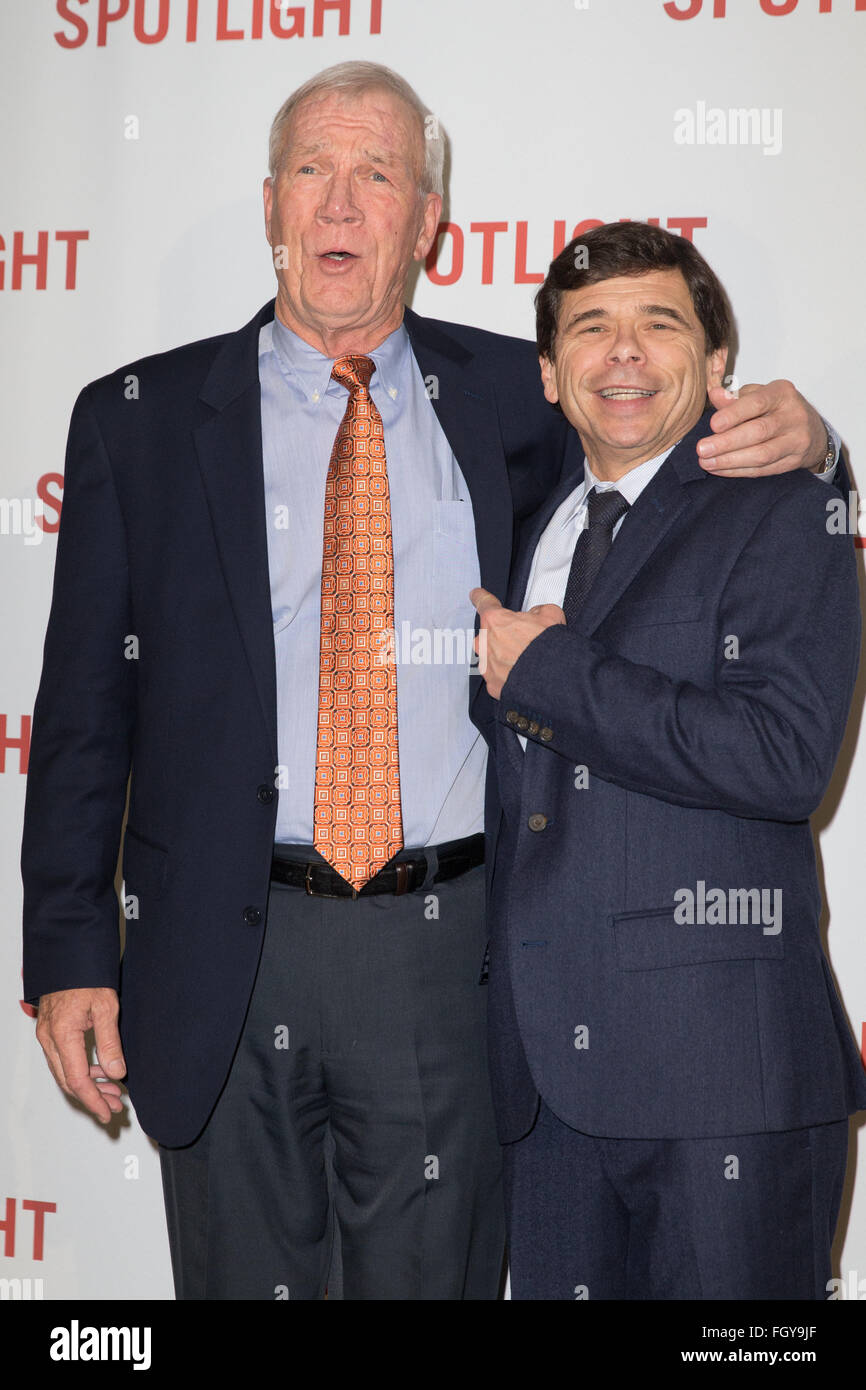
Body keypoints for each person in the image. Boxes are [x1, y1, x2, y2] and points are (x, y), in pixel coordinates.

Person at [21, 64, 844, 1302]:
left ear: (426, 223)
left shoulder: (520, 394)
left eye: (378, 176)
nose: (341, 205)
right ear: (266, 205)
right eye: (312, 171)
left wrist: (817, 437)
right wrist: (70, 950)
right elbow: (83, 714)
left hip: (448, 949)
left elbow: (658, 424)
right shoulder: (134, 419)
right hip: (219, 953)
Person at [471, 219, 866, 1301]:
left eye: (659, 323)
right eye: (590, 329)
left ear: (717, 363)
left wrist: (549, 671)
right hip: (540, 1098)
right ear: (549, 376)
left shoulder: (784, 506)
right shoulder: (522, 519)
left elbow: (783, 758)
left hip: (720, 1084)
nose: (625, 352)